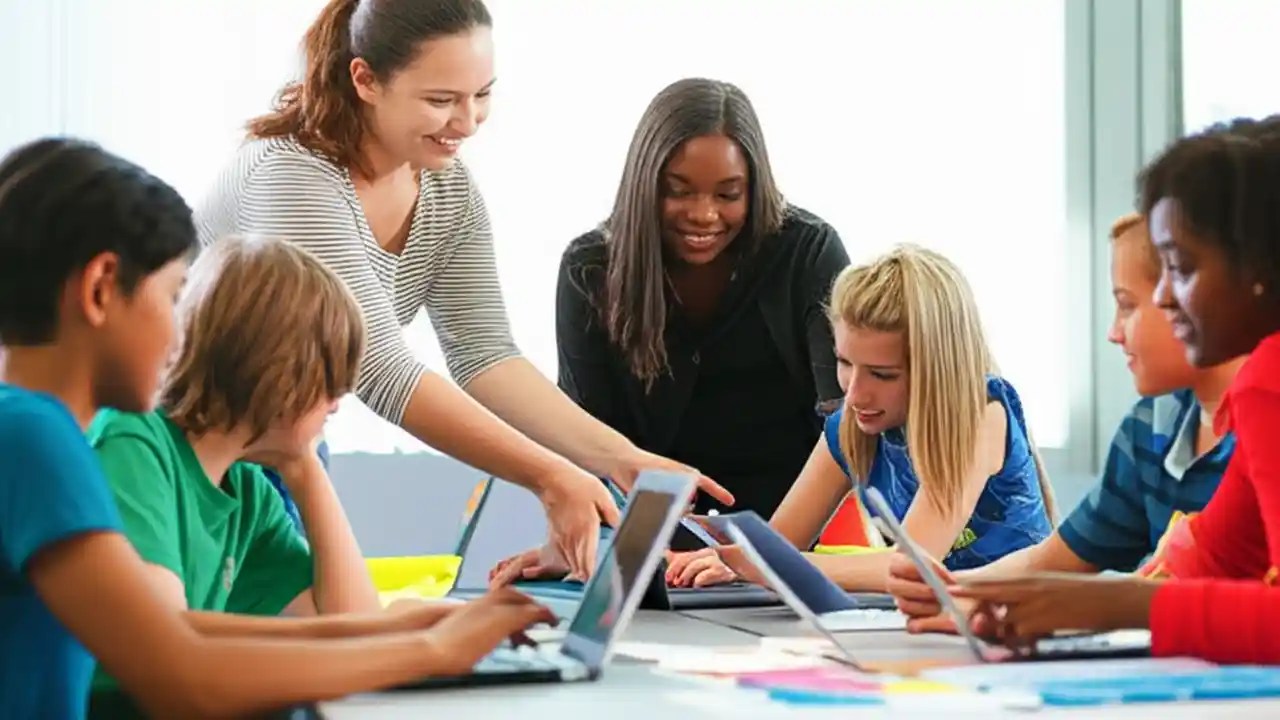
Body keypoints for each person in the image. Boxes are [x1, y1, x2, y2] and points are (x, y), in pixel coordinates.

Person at [0, 137, 553, 718]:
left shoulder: (30, 431)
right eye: (171, 297)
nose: (180, 335)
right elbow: (178, 672)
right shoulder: (38, 439)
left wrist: (407, 630)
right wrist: (426, 649)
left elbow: (178, 637)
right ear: (99, 289)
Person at [195, 0, 731, 581]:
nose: (469, 121)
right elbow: (379, 370)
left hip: (281, 442)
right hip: (197, 447)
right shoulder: (292, 176)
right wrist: (549, 475)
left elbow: (485, 353)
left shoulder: (448, 189)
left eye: (483, 95)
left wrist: (620, 459)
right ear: (366, 79)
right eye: (441, 100)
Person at [955, 117, 1280, 664]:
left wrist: (1113, 606)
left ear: (1261, 266)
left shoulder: (1269, 384)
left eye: (1180, 267)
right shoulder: (1257, 385)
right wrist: (1063, 599)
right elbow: (1217, 557)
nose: (1166, 297)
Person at [887, 214, 1242, 632]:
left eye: (1127, 305)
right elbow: (1059, 558)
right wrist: (954, 593)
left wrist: (1099, 605)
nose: (1113, 332)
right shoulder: (1152, 427)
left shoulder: (1258, 424)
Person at [87, 235, 387, 692]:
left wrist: (305, 469)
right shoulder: (134, 439)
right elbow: (164, 641)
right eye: (331, 381)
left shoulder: (248, 489)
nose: (337, 404)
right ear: (276, 370)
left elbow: (356, 628)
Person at [666, 245, 1058, 592]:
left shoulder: (980, 416)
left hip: (1017, 625)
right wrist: (727, 556)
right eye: (844, 363)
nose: (854, 394)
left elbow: (914, 566)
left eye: (882, 374)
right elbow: (779, 543)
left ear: (937, 369)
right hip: (932, 626)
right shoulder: (851, 426)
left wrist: (767, 563)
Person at [557, 77, 849, 518]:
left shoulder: (807, 254)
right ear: (645, 182)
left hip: (797, 530)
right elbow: (587, 440)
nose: (704, 214)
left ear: (755, 186)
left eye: (728, 194)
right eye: (678, 190)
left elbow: (844, 422)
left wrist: (767, 551)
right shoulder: (589, 269)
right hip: (648, 531)